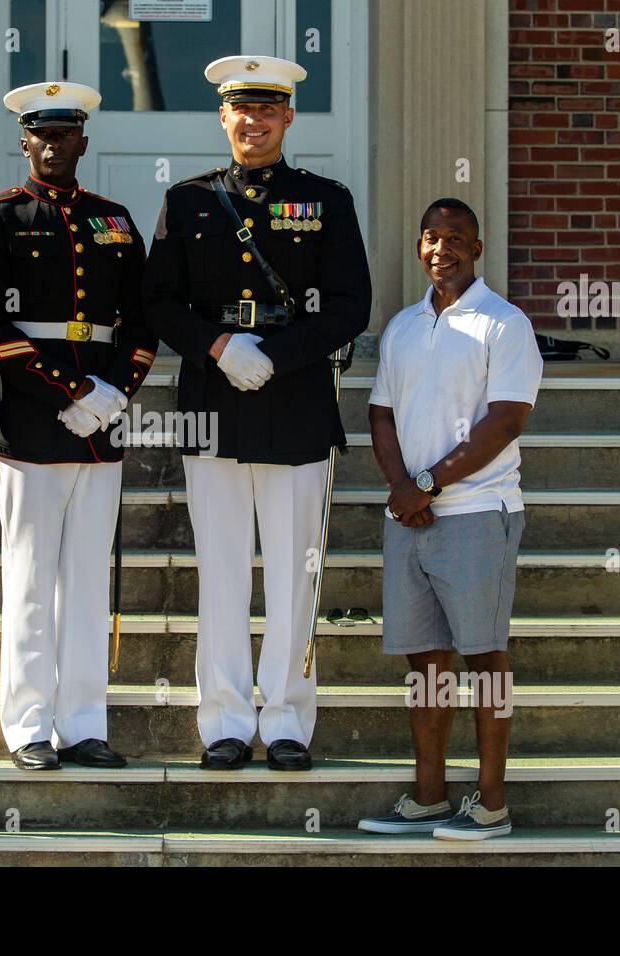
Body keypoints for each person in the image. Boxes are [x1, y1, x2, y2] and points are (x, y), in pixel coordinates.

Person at [142, 56, 371, 771]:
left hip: (296, 398)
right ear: (223, 117)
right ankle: (224, 723)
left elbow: (350, 305)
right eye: (241, 110)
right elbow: (153, 302)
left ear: (288, 118)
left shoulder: (325, 199)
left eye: (268, 109)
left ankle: (289, 721)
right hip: (214, 400)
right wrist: (218, 345)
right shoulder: (187, 202)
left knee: (294, 574)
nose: (253, 121)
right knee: (221, 570)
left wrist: (281, 353)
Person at [0, 82, 157, 771]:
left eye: (65, 134)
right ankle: (28, 727)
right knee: (32, 579)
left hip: (100, 424)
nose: (52, 145)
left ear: (83, 142)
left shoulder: (116, 221)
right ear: (24, 141)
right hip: (29, 421)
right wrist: (69, 391)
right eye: (41, 134)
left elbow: (142, 320)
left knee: (85, 581)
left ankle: (83, 725)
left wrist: (112, 394)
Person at [358, 198, 543, 840]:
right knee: (425, 664)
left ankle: (490, 806)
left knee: (485, 658)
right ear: (419, 249)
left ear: (478, 248)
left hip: (477, 514)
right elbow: (380, 413)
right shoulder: (404, 327)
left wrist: (428, 484)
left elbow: (506, 421)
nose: (444, 248)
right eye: (432, 237)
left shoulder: (505, 322)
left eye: (457, 238)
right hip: (410, 517)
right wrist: (401, 488)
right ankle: (430, 798)